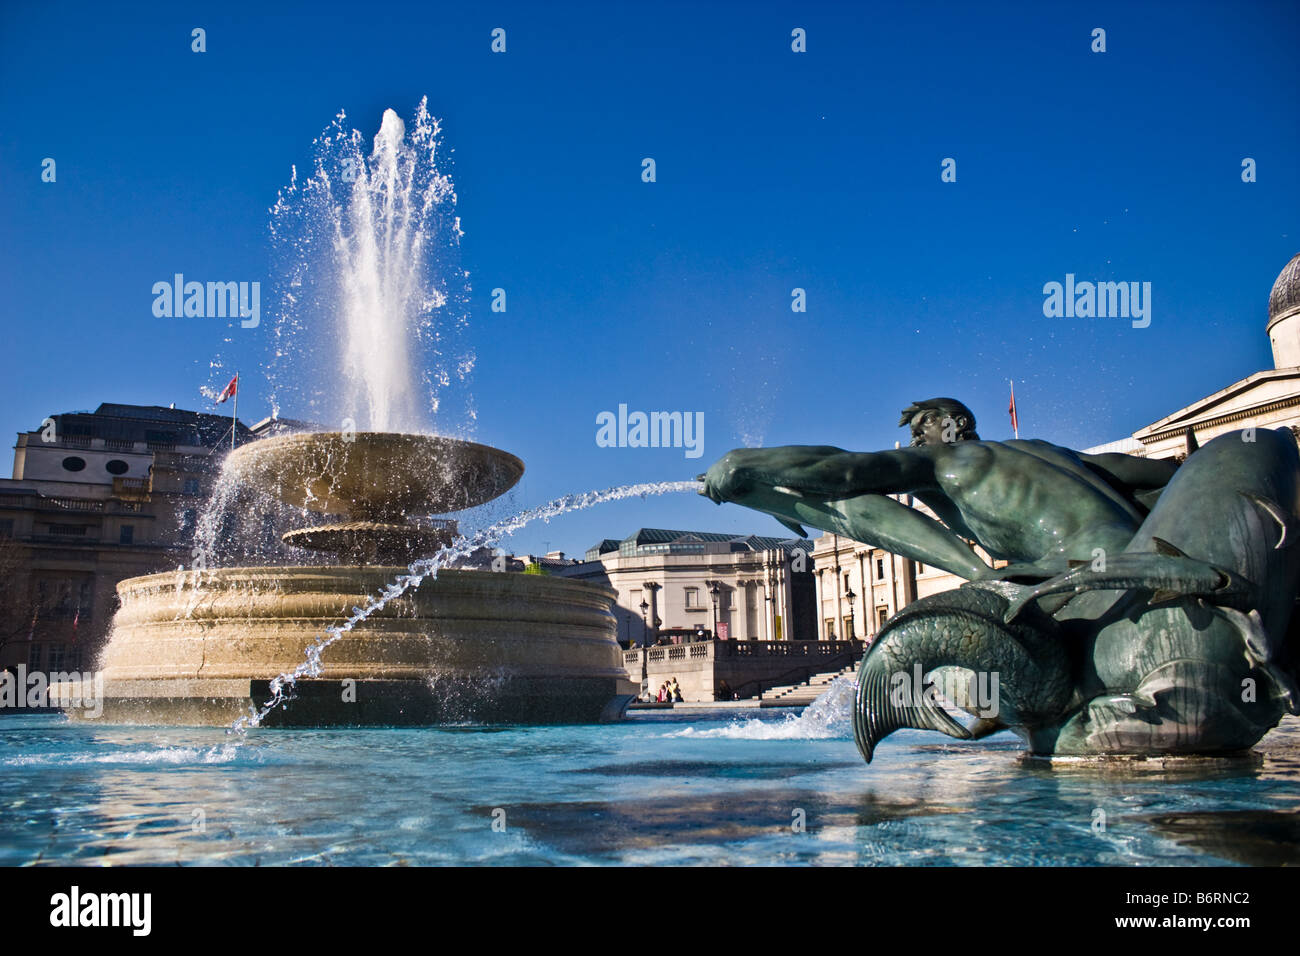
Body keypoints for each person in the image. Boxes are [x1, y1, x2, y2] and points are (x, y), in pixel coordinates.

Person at [699, 397, 1179, 582]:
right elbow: (1159, 475)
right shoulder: (1051, 451)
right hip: (1139, 553)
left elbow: (842, 473)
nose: (917, 437)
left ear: (958, 424)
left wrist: (741, 462)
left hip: (1075, 573)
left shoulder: (944, 458)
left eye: (926, 424)